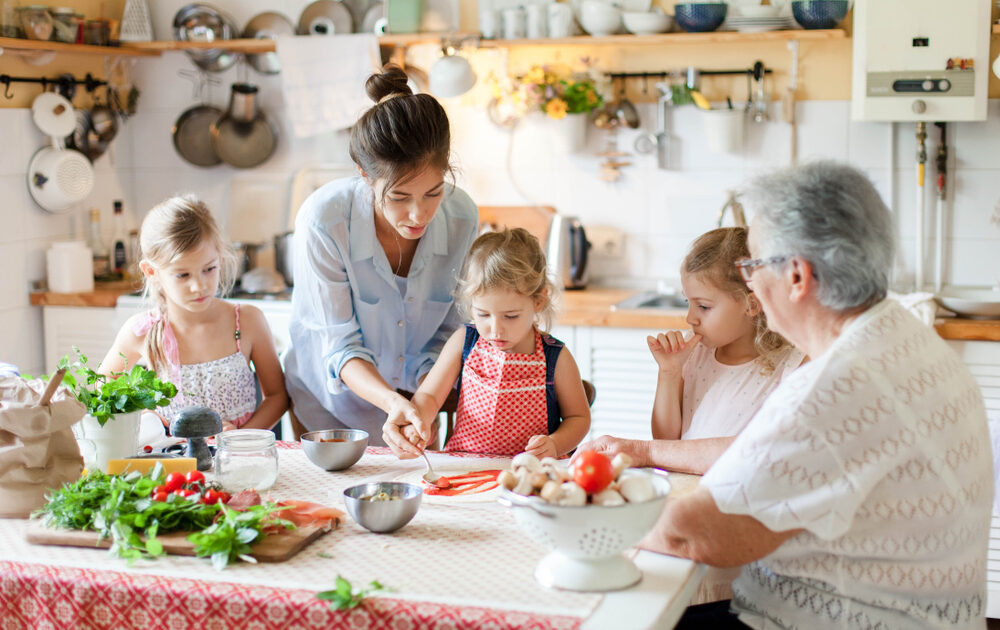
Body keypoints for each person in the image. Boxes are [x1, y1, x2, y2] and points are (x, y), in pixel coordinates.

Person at [643, 161, 992, 630]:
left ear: (797, 277)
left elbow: (690, 535)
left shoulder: (834, 388)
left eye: (752, 265)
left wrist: (575, 501)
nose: (751, 284)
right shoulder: (906, 337)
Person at [283, 65, 479, 444]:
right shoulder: (325, 221)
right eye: (400, 197)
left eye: (434, 192)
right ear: (365, 175)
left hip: (419, 397)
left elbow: (450, 333)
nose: (419, 214)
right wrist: (394, 403)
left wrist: (423, 401)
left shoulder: (462, 217)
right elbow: (340, 347)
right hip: (332, 402)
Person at [582, 227, 805, 477]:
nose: (690, 318)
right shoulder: (696, 355)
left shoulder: (790, 367)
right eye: (688, 303)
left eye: (703, 306)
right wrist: (669, 372)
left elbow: (760, 455)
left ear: (751, 304)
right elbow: (665, 440)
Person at [383, 228, 591, 459]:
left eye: (510, 316)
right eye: (483, 314)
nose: (495, 329)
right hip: (465, 465)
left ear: (539, 301)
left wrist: (555, 444)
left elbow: (578, 418)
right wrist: (418, 421)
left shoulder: (556, 357)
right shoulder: (464, 341)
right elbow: (429, 396)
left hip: (530, 473)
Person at [100, 196, 288, 431]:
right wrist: (142, 415)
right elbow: (102, 388)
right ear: (151, 271)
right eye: (183, 275)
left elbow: (277, 396)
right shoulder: (142, 331)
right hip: (173, 464)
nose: (199, 286)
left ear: (219, 259)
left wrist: (241, 437)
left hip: (238, 459)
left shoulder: (248, 321)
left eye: (209, 269)